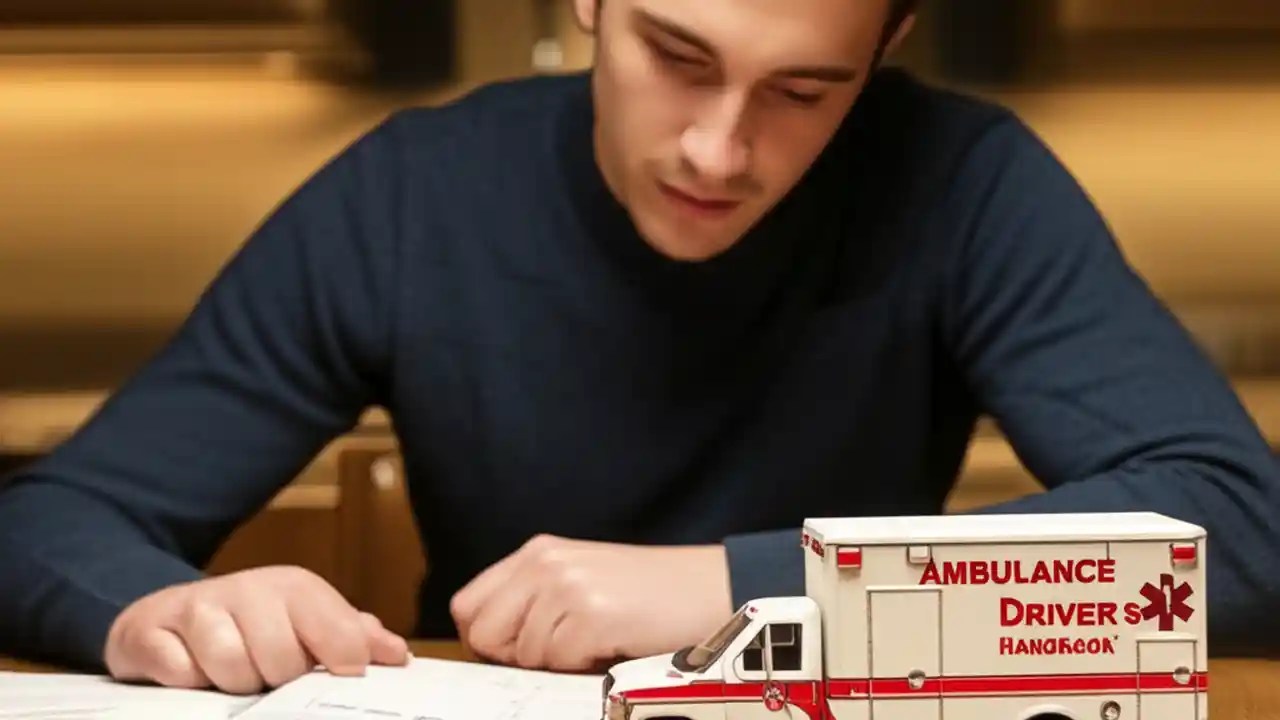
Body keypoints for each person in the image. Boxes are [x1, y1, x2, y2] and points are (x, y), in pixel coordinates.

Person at [2, 0, 1277, 696]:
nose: (719, 152)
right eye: (676, 56)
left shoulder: (967, 183)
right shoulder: (412, 195)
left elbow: (1241, 539)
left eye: (802, 92)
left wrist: (740, 588)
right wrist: (158, 613)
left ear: (885, 46)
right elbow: (48, 519)